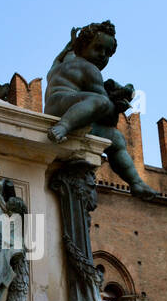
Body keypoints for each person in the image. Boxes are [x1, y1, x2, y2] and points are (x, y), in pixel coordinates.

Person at [44, 22, 155, 198]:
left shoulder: (58, 65)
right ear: (83, 47)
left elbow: (61, 56)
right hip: (65, 110)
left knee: (115, 139)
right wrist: (118, 105)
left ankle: (136, 182)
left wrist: (70, 45)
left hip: (62, 109)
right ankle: (63, 127)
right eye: (98, 48)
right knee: (102, 101)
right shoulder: (90, 69)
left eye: (107, 53)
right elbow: (103, 109)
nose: (103, 55)